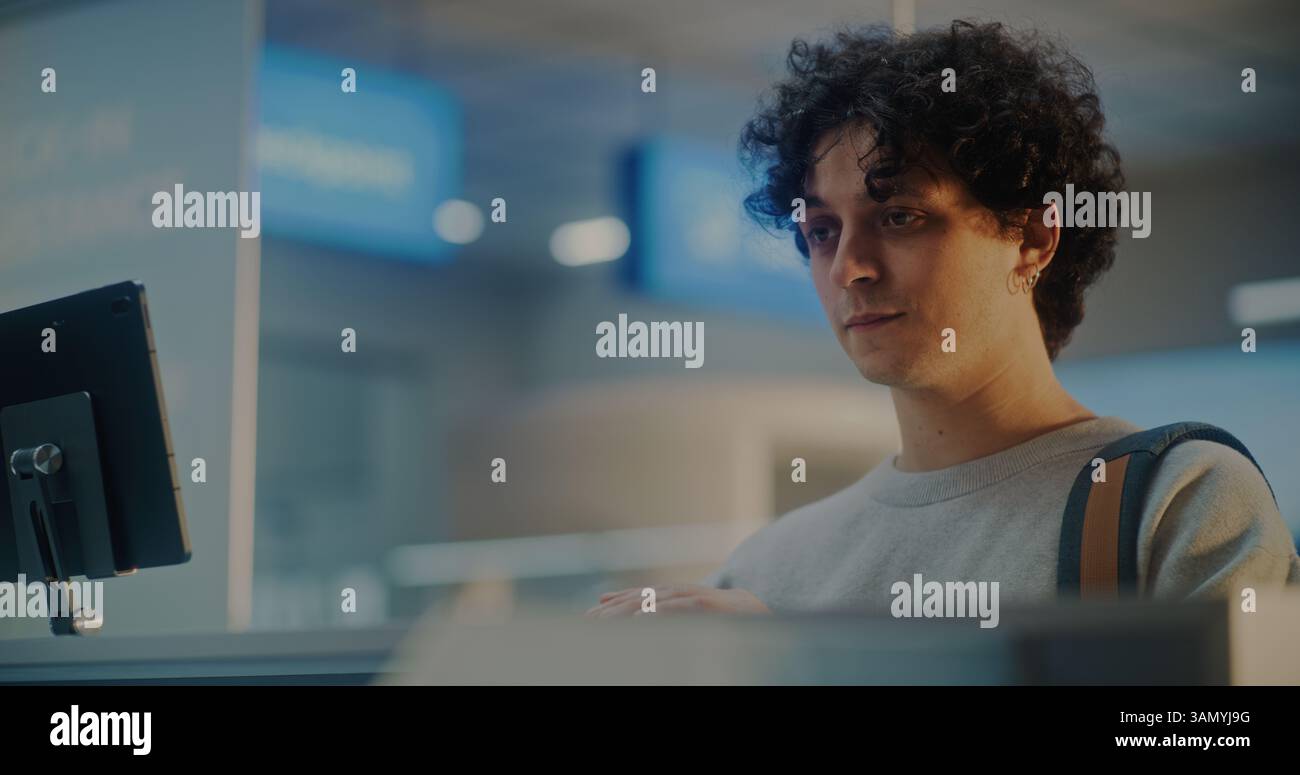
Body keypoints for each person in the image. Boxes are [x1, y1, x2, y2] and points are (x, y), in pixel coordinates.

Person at [587, 20, 1300, 618]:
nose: (849, 268)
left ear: (1032, 237)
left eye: (899, 217)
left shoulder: (1174, 502)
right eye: (823, 231)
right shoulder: (767, 568)